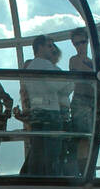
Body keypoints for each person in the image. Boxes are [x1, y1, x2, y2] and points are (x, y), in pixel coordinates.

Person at [13, 35, 67, 176]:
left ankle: (30, 179)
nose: (52, 49)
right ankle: (50, 182)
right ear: (40, 47)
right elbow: (60, 84)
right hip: (50, 113)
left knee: (38, 150)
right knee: (52, 153)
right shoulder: (44, 65)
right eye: (49, 46)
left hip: (37, 112)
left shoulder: (31, 66)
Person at [67, 28, 96, 178]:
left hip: (92, 101)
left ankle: (88, 171)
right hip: (81, 100)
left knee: (90, 139)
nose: (79, 46)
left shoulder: (92, 62)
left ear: (87, 42)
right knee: (84, 139)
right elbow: (85, 72)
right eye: (76, 43)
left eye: (82, 42)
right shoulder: (74, 60)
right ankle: (84, 173)